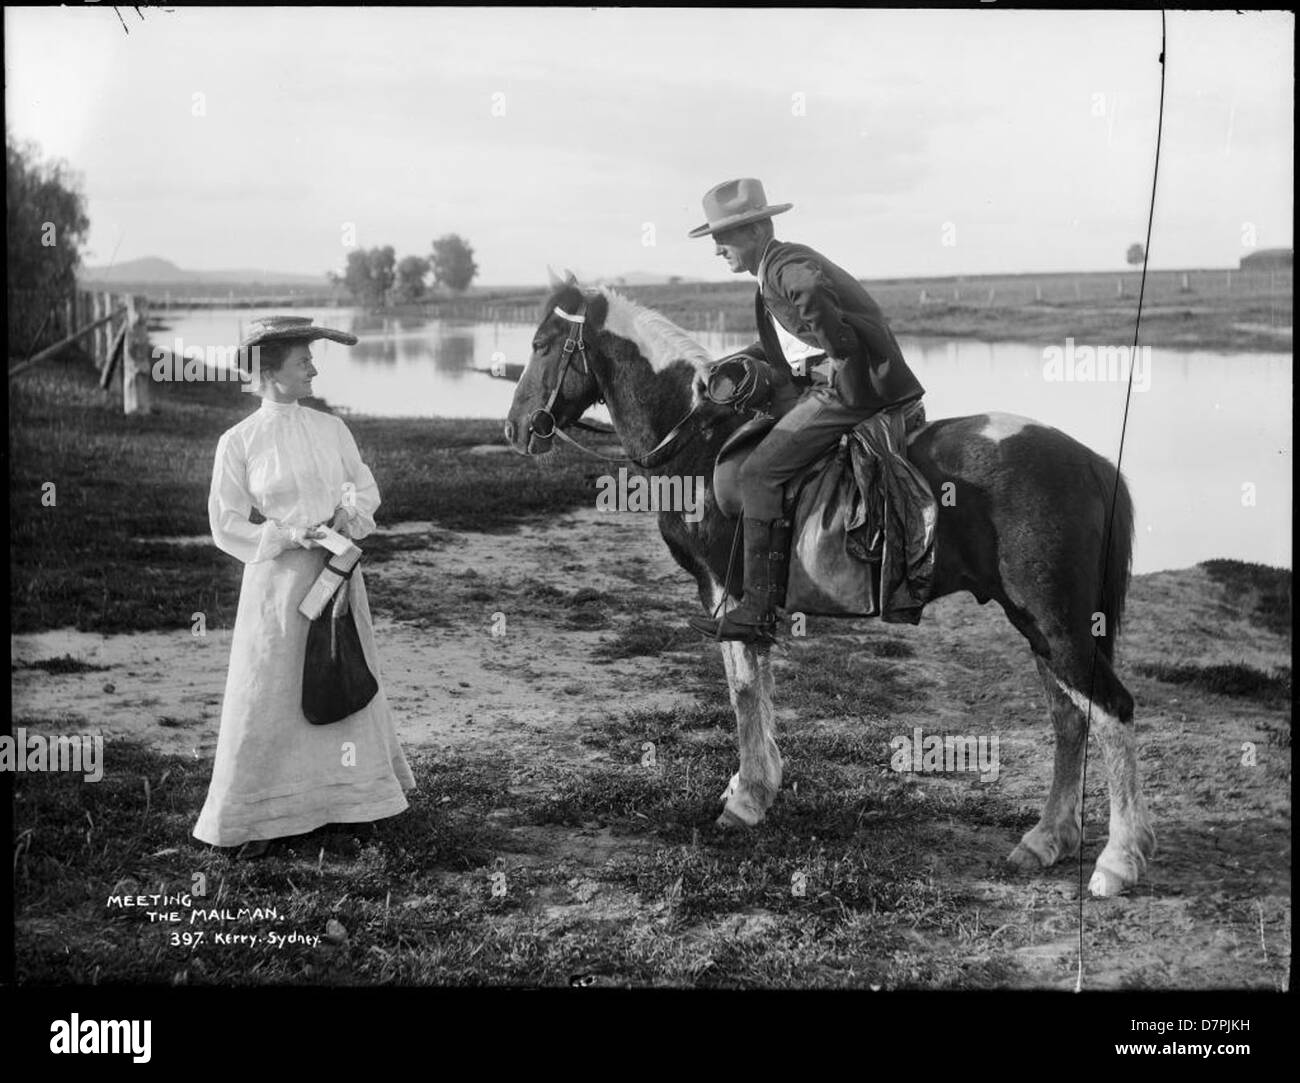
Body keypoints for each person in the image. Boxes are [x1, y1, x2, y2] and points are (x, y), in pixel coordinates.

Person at [194, 315, 415, 858]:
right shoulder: (239, 441)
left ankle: (353, 804)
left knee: (342, 673)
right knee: (273, 689)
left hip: (336, 575)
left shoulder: (330, 428)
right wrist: (283, 533)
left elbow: (364, 488)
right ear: (269, 371)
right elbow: (226, 523)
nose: (314, 369)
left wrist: (346, 515)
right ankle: (265, 813)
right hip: (278, 585)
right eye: (303, 361)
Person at [686, 178, 926, 644]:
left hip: (847, 390)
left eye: (724, 237)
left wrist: (836, 349)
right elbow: (789, 339)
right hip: (836, 380)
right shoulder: (773, 266)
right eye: (714, 238)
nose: (717, 249)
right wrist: (729, 362)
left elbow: (809, 291)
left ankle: (757, 609)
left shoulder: (785, 265)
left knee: (758, 473)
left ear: (756, 230)